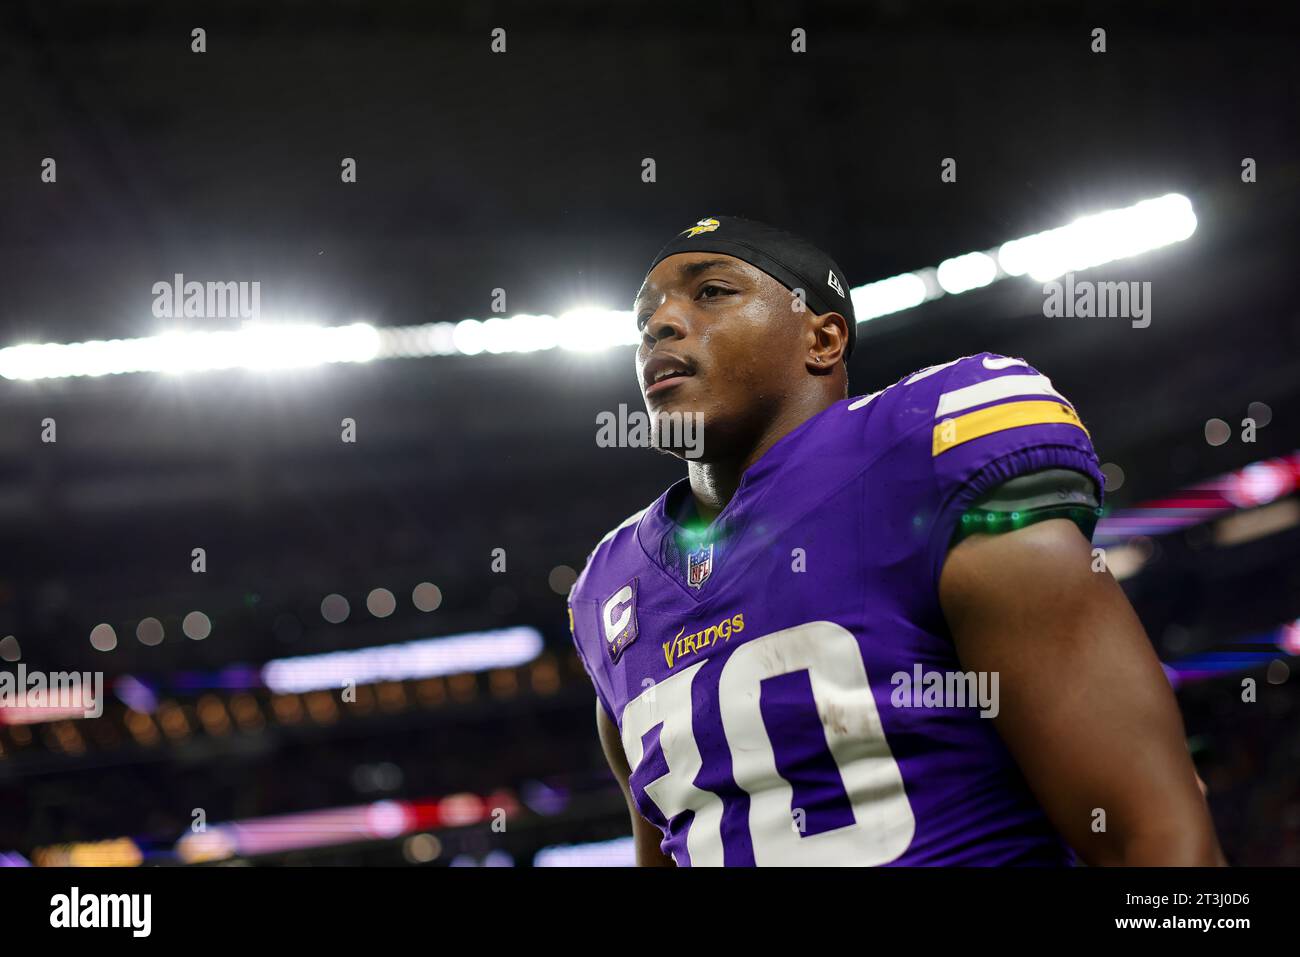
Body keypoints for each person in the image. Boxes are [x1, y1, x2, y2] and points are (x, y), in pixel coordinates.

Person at [567, 215, 1223, 866]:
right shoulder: (609, 589)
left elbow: (1157, 836)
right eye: (644, 317)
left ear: (822, 338)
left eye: (710, 291)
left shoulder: (929, 447)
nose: (659, 324)